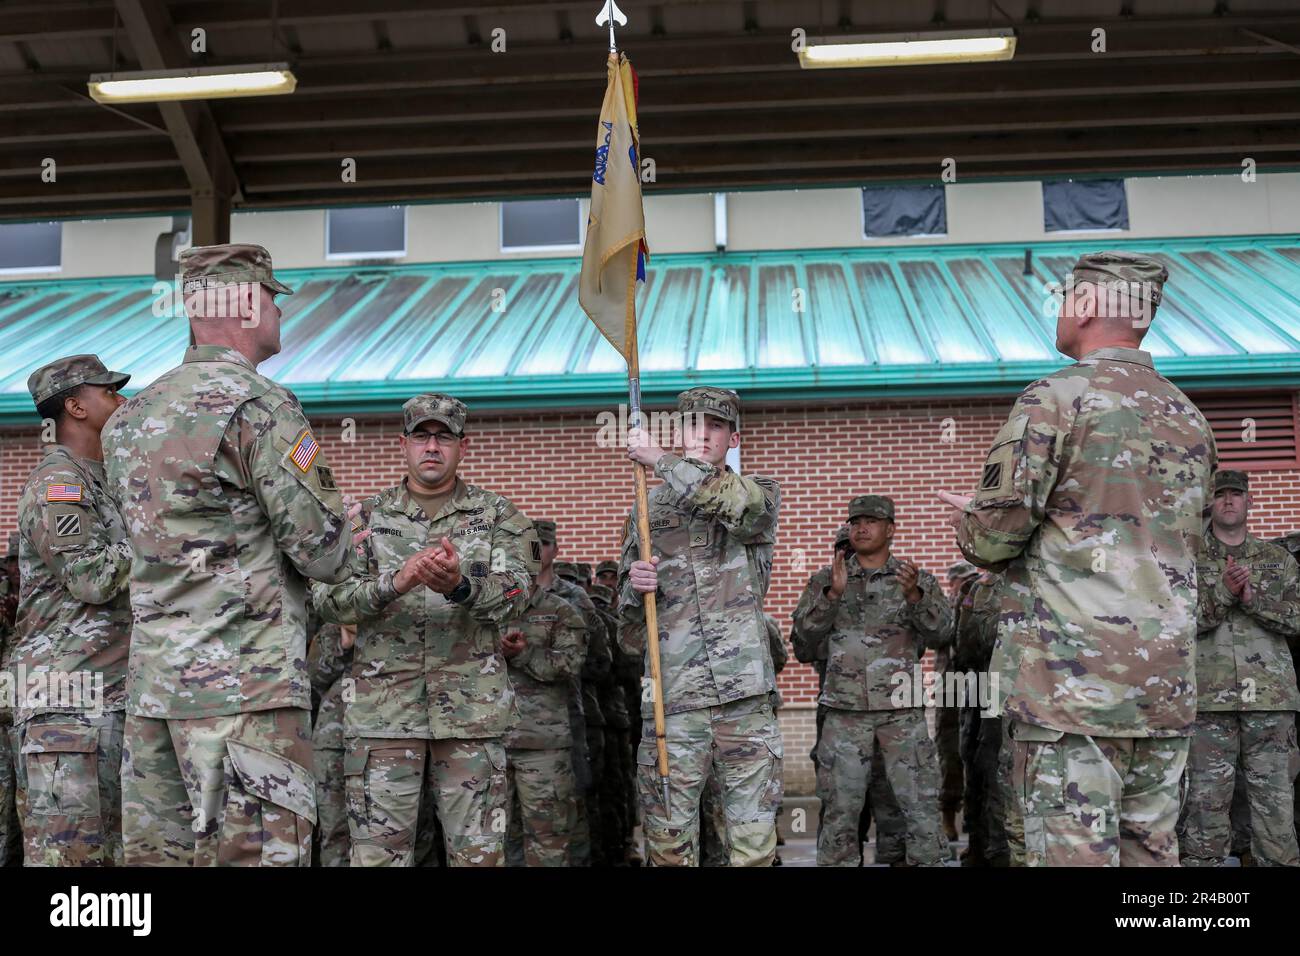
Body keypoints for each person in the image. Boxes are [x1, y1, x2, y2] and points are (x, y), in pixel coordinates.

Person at [940, 251, 1215, 867]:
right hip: (1162, 689)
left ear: (1089, 306)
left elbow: (993, 541)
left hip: (1071, 694)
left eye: (1064, 298)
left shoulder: (1055, 399)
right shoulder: (1190, 418)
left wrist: (972, 515)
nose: (1059, 311)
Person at [103, 244, 357, 866]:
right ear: (245, 302)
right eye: (271, 296)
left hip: (154, 692)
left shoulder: (130, 417)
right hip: (248, 691)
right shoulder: (260, 405)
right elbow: (324, 553)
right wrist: (349, 532)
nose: (278, 311)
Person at [310, 393, 532, 867]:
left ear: (462, 447)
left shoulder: (499, 517)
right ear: (403, 445)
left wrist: (461, 587)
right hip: (383, 720)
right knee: (378, 859)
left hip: (471, 718)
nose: (432, 447)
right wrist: (394, 582)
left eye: (444, 437)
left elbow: (519, 593)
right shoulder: (364, 519)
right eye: (421, 437)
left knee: (479, 857)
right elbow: (326, 599)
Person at [620, 386, 782, 866]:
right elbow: (629, 631)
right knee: (670, 846)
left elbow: (735, 507)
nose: (704, 434)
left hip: (744, 702)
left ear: (733, 436)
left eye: (715, 425)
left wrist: (659, 458)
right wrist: (634, 586)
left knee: (751, 846)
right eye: (694, 424)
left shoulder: (758, 493)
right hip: (674, 703)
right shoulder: (646, 510)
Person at [10, 355, 131, 866]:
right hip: (67, 704)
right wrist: (165, 537)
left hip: (113, 696)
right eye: (108, 392)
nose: (120, 400)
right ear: (76, 406)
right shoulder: (59, 484)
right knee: (70, 861)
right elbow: (92, 577)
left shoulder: (110, 480)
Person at [793, 495, 952, 867]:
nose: (861, 528)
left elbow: (943, 633)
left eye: (872, 521)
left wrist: (916, 597)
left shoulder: (916, 580)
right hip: (844, 714)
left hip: (902, 715)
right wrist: (831, 596)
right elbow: (802, 642)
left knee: (920, 808)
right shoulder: (826, 580)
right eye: (855, 521)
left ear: (890, 529)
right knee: (840, 811)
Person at [1180, 469, 1299, 866]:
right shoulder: (1189, 561)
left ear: (1249, 502)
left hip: (1269, 699)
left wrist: (1251, 599)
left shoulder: (1277, 559)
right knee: (1205, 804)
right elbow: (1179, 623)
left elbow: (1296, 618)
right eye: (1221, 494)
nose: (1229, 500)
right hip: (1209, 700)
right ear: (1210, 504)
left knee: (1275, 806)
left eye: (1237, 494)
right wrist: (1222, 592)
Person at [500, 548, 586, 866]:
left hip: (543, 745)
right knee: (489, 841)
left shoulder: (560, 611)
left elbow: (570, 664)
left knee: (548, 840)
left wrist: (523, 654)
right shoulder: (484, 612)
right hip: (490, 742)